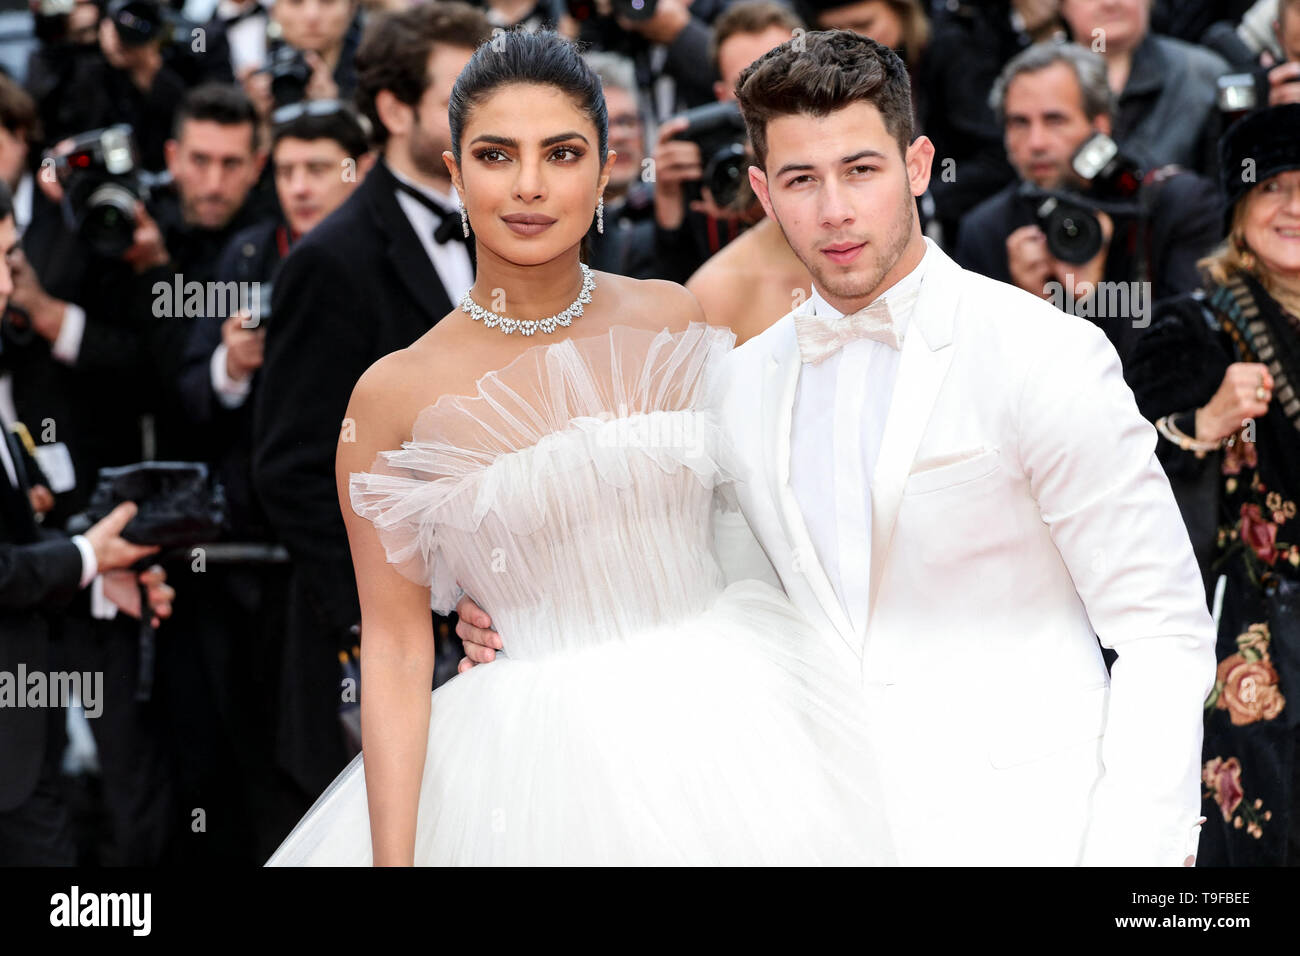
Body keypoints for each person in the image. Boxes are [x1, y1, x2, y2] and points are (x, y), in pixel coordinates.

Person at [458, 30, 1219, 866]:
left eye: (861, 170)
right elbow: (702, 598)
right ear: (761, 192)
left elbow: (1161, 629)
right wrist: (522, 619)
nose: (835, 211)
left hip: (1040, 827)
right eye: (800, 180)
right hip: (826, 827)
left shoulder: (1045, 356)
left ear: (919, 165)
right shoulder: (736, 385)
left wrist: (1139, 857)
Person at [265, 28, 896, 866]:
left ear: (604, 172)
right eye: (496, 155)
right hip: (528, 763)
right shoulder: (393, 395)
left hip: (736, 719)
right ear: (454, 175)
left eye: (562, 153)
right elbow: (393, 647)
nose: (529, 186)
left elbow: (752, 520)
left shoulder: (676, 317)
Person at [1127, 103, 1300, 866]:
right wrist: (1202, 423)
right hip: (1254, 632)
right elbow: (1117, 480)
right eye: (1272, 189)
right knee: (1255, 839)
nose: (1293, 208)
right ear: (1237, 211)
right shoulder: (1192, 329)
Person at [954, 41, 1221, 362]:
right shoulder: (988, 230)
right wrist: (1030, 305)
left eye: (1055, 120)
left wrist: (1094, 300)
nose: (1035, 142)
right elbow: (979, 377)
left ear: (1100, 126)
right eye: (1019, 123)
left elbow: (1184, 362)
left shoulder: (1174, 203)